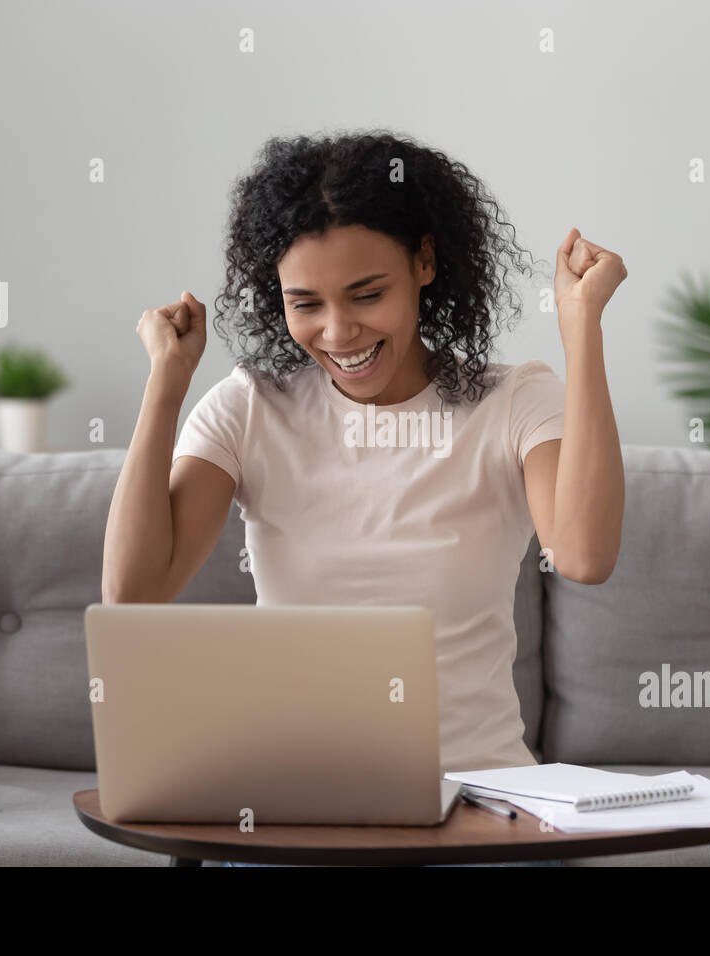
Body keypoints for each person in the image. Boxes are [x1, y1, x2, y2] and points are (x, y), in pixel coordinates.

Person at [102, 130, 627, 867]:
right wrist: (165, 383)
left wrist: (583, 328)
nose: (339, 332)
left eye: (366, 294)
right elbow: (131, 594)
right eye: (304, 303)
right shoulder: (252, 407)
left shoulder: (513, 401)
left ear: (424, 261)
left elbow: (584, 553)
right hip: (295, 810)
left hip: (486, 808)